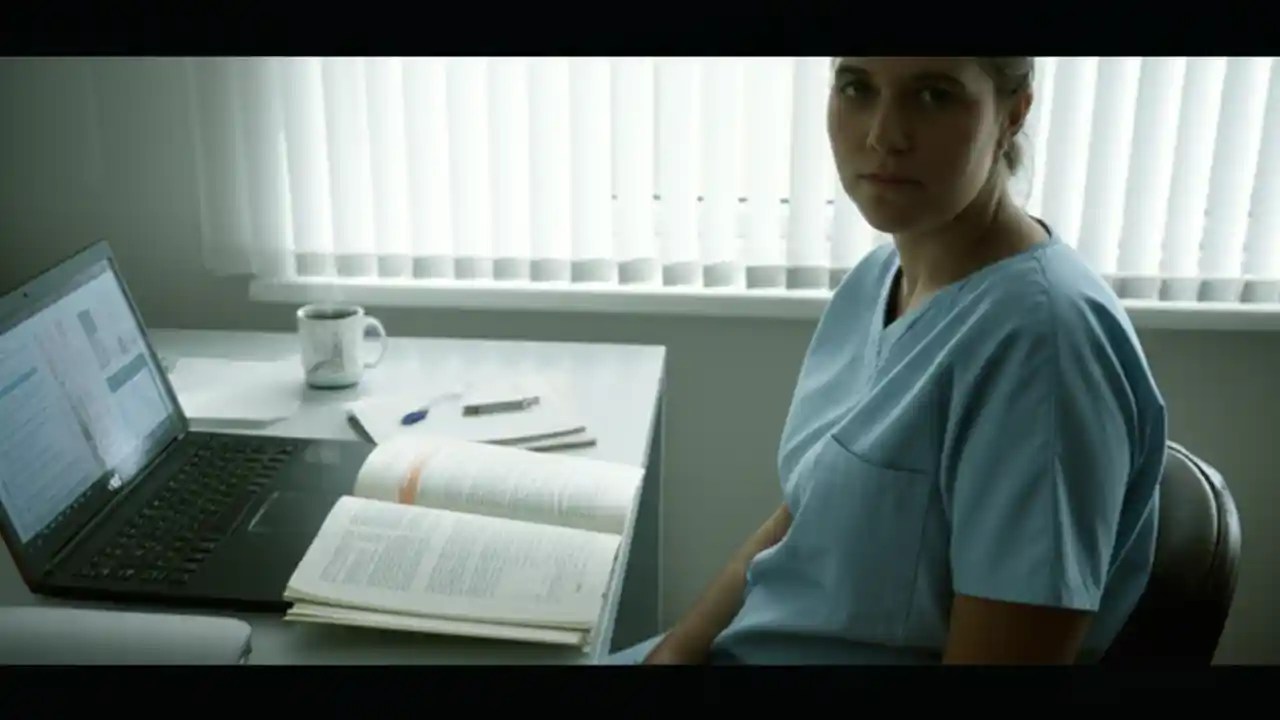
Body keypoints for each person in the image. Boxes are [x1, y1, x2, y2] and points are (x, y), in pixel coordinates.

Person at [604, 57, 1168, 665]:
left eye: (933, 95)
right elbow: (802, 514)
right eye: (857, 88)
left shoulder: (1042, 350)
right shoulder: (885, 275)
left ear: (1013, 113)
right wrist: (672, 655)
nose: (882, 135)